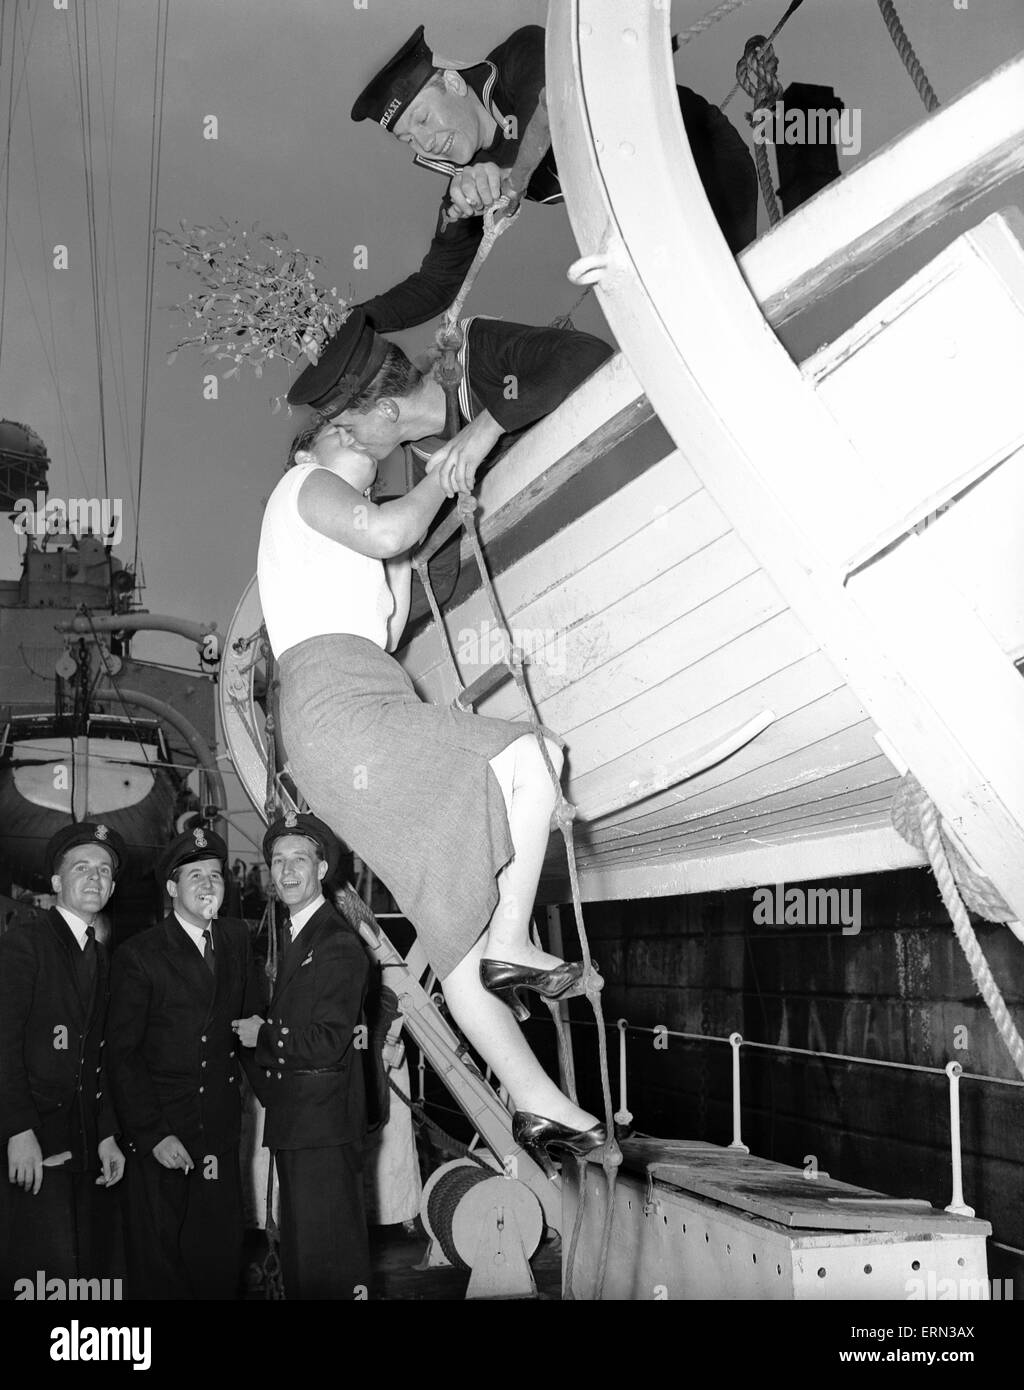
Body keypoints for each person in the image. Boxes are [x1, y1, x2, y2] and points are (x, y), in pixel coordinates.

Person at [257, 361, 607, 1182]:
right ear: (337, 433)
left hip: (348, 712)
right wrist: (471, 447)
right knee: (532, 755)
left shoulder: (333, 526)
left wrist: (451, 486)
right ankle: (515, 939)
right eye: (379, 425)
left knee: (450, 924)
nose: (392, 437)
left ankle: (540, 1103)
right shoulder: (303, 486)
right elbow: (392, 533)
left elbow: (396, 572)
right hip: (342, 709)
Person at [350, 24, 759, 333]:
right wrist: (349, 325)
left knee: (737, 290)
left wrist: (509, 179)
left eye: (422, 118)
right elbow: (435, 284)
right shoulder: (469, 187)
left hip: (698, 158)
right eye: (408, 138)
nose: (424, 142)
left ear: (453, 83)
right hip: (646, 214)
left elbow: (551, 110)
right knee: (686, 319)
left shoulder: (521, 54)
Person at [105, 826, 262, 1299]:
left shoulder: (235, 938)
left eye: (214, 875)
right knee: (161, 1266)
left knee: (218, 1256)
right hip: (164, 1131)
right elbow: (123, 1055)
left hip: (218, 1126)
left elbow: (253, 1022)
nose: (208, 884)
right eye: (194, 875)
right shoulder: (140, 955)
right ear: (172, 888)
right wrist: (152, 1133)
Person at [232, 813, 371, 1300]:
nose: (287, 871)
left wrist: (262, 1037)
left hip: (323, 1127)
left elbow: (330, 1040)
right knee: (307, 1262)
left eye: (300, 859)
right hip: (305, 1123)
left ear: (323, 868)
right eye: (278, 860)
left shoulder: (334, 943)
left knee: (326, 1263)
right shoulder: (298, 936)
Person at [0, 822, 126, 1297]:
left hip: (86, 1141)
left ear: (112, 887)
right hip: (35, 1141)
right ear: (56, 883)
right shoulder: (24, 944)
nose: (94, 878)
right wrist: (17, 1130)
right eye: (81, 868)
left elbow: (101, 1054)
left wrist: (110, 1132)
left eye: (103, 871)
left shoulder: (99, 955)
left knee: (80, 1277)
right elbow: (3, 1043)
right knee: (36, 1274)